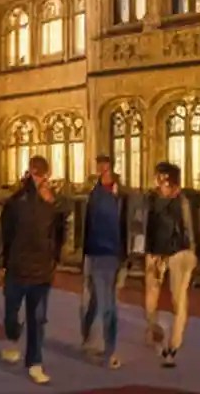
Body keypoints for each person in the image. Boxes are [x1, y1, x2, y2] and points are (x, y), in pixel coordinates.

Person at [0, 155, 66, 385]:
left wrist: (54, 258)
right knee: (11, 314)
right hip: (17, 267)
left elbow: (62, 228)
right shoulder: (17, 200)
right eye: (36, 173)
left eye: (42, 174)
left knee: (38, 319)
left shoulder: (53, 201)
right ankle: (13, 334)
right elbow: (6, 232)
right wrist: (4, 263)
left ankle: (35, 362)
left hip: (41, 270)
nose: (40, 178)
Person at [138, 161, 200, 369]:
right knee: (150, 300)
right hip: (155, 253)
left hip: (181, 253)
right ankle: (155, 330)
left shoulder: (186, 202)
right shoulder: (151, 200)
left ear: (169, 182)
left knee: (178, 299)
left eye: (160, 179)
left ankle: (173, 345)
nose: (156, 183)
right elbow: (144, 226)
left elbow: (198, 228)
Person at [80, 154, 129, 369]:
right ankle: (88, 334)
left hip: (113, 254)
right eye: (98, 165)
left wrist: (127, 255)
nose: (101, 169)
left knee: (108, 303)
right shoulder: (94, 194)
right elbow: (87, 223)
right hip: (95, 251)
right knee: (93, 301)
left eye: (104, 166)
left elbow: (129, 223)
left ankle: (110, 349)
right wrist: (84, 253)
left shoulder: (122, 195)